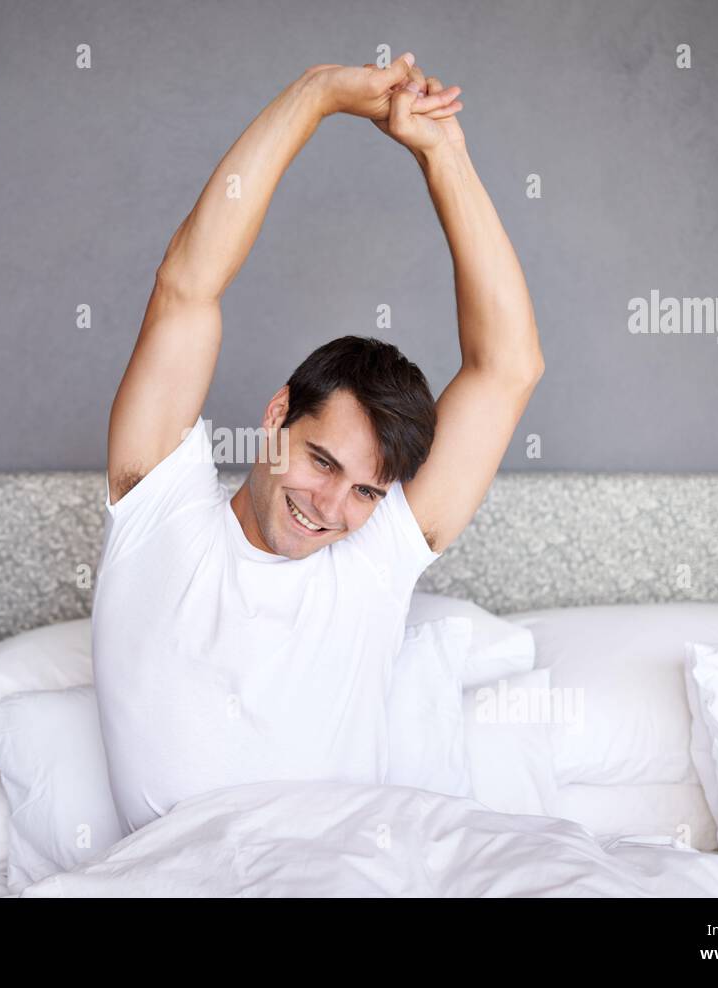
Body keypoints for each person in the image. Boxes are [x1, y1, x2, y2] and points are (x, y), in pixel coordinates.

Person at [93, 53, 544, 833]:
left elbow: (509, 368)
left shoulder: (372, 559)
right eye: (321, 461)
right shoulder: (157, 510)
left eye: (368, 491)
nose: (331, 508)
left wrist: (444, 153)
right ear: (276, 418)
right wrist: (319, 95)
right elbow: (186, 286)